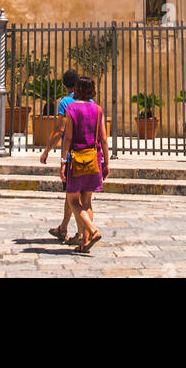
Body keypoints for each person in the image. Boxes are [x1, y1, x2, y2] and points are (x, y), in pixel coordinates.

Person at [60, 76, 109, 253]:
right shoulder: (98, 109)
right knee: (87, 202)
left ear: (77, 90)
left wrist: (63, 161)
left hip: (77, 159)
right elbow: (103, 139)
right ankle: (85, 243)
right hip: (94, 158)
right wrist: (107, 163)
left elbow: (68, 137)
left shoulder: (71, 108)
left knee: (73, 200)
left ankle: (93, 230)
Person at [39, 68, 81, 244]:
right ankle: (64, 228)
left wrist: (47, 150)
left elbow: (59, 131)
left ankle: (87, 232)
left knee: (74, 196)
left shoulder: (65, 102)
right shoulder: (90, 101)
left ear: (64, 85)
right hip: (89, 154)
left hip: (71, 155)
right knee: (76, 195)